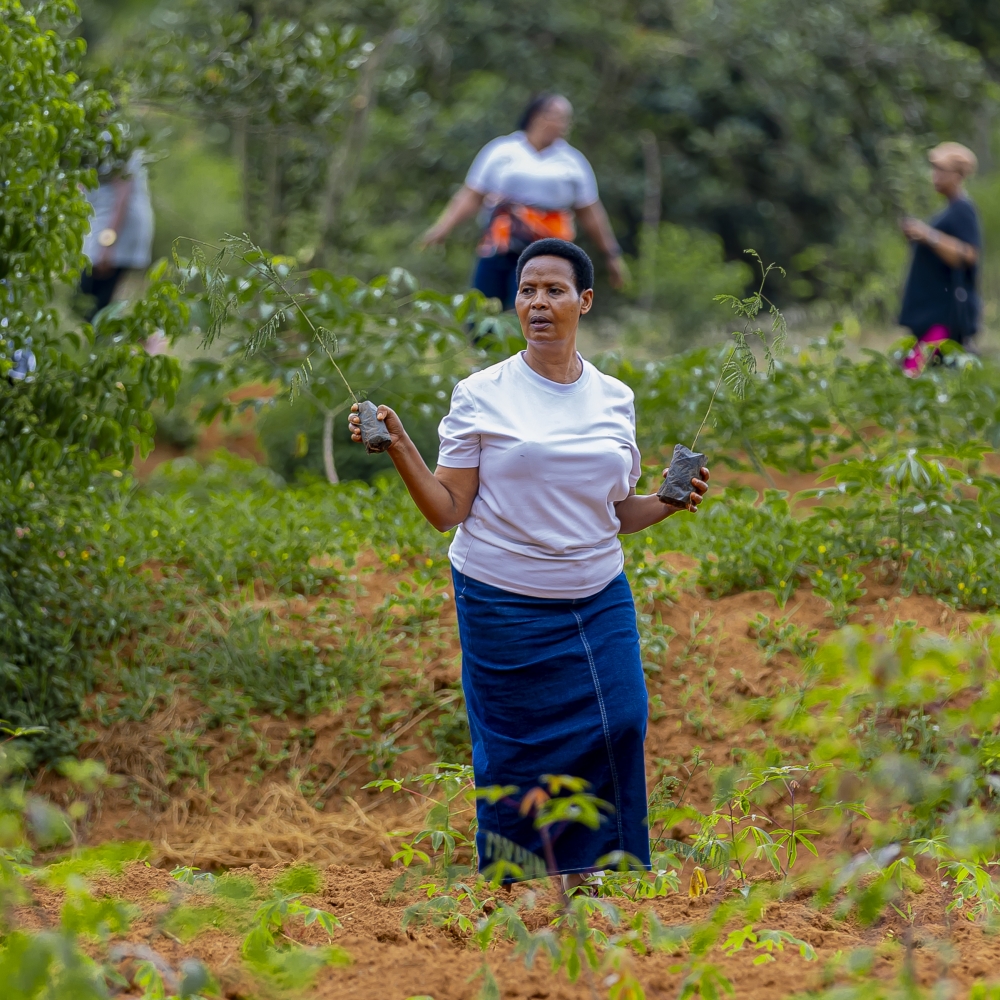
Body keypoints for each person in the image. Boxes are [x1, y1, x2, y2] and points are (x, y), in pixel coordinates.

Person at [349, 238, 708, 889]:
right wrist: (401, 446)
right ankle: (517, 885)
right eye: (527, 290)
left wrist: (668, 502)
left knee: (621, 719)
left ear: (585, 301)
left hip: (597, 592)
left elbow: (617, 510)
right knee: (516, 751)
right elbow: (446, 509)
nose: (538, 302)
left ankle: (590, 868)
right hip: (501, 596)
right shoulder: (482, 393)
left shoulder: (614, 398)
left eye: (554, 290)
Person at [420, 94, 625, 311]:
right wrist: (442, 228)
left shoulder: (572, 161)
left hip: (546, 251)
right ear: (538, 116)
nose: (564, 124)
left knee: (527, 310)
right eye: (558, 117)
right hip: (499, 245)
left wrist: (611, 254)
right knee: (483, 307)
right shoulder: (502, 150)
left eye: (567, 119)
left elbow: (590, 212)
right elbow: (472, 195)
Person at [898, 142, 981, 375]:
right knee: (926, 375)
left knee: (912, 372)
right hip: (932, 314)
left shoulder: (963, 209)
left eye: (941, 171)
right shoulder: (950, 210)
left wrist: (929, 236)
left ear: (957, 176)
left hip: (943, 318)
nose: (935, 176)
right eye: (934, 170)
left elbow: (969, 255)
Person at [79, 148, 154, 321]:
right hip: (103, 227)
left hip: (117, 229)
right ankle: (128, 341)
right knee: (90, 303)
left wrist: (107, 244)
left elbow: (123, 194)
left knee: (93, 301)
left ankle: (139, 341)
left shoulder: (115, 143)